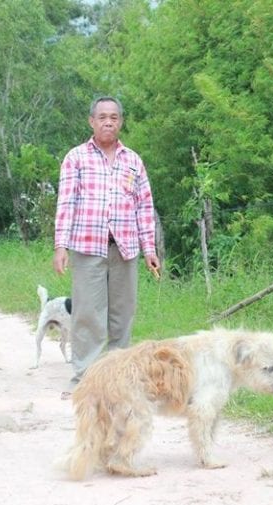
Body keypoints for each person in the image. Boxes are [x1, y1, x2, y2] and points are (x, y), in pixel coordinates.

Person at [53, 96, 160, 384]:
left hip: (125, 249)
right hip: (88, 246)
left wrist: (149, 249)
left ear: (121, 122)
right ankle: (85, 378)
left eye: (114, 117)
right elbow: (66, 203)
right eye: (102, 117)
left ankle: (118, 377)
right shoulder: (76, 158)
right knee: (88, 314)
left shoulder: (133, 161)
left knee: (122, 315)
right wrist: (60, 246)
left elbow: (144, 206)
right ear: (92, 121)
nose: (108, 122)